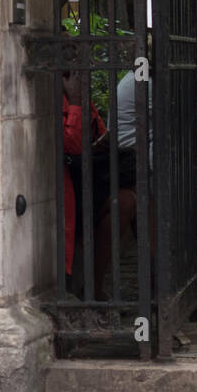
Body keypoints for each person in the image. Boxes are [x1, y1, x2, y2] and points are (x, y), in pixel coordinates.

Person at [62, 69, 136, 301]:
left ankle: (157, 284)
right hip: (63, 186)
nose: (75, 63)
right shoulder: (57, 95)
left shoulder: (79, 93)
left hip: (84, 176)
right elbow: (71, 144)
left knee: (130, 199)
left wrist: (99, 144)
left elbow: (99, 131)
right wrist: (75, 102)